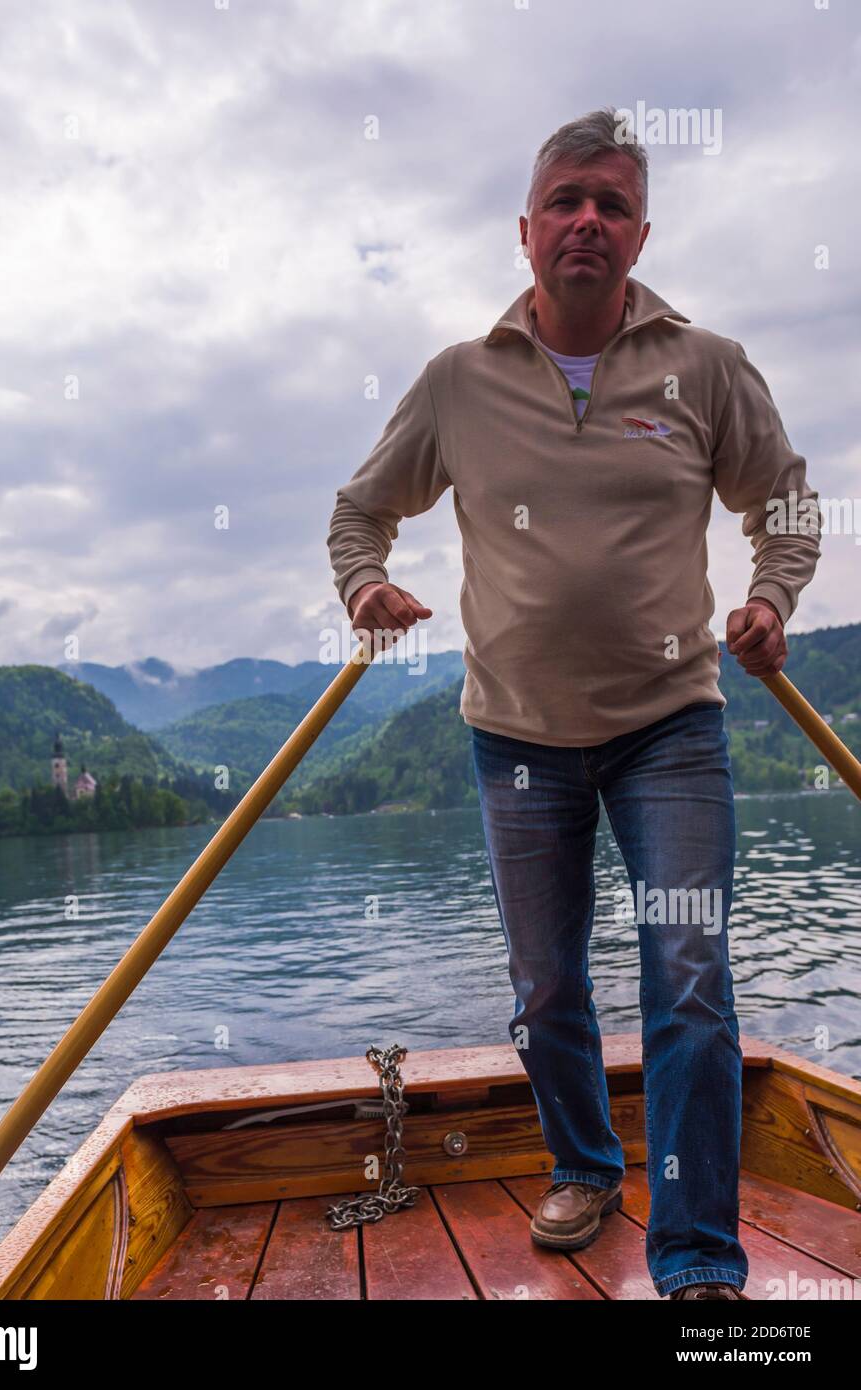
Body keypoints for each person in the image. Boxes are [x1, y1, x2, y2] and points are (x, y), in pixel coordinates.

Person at [326, 106, 821, 1301]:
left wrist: (772, 597)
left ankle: (698, 1258)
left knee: (691, 969)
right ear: (526, 230)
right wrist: (369, 582)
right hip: (517, 741)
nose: (586, 220)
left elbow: (789, 504)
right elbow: (359, 511)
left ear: (640, 232)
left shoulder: (706, 367)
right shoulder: (458, 382)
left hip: (674, 733)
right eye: (566, 200)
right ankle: (586, 1163)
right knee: (546, 984)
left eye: (610, 202)